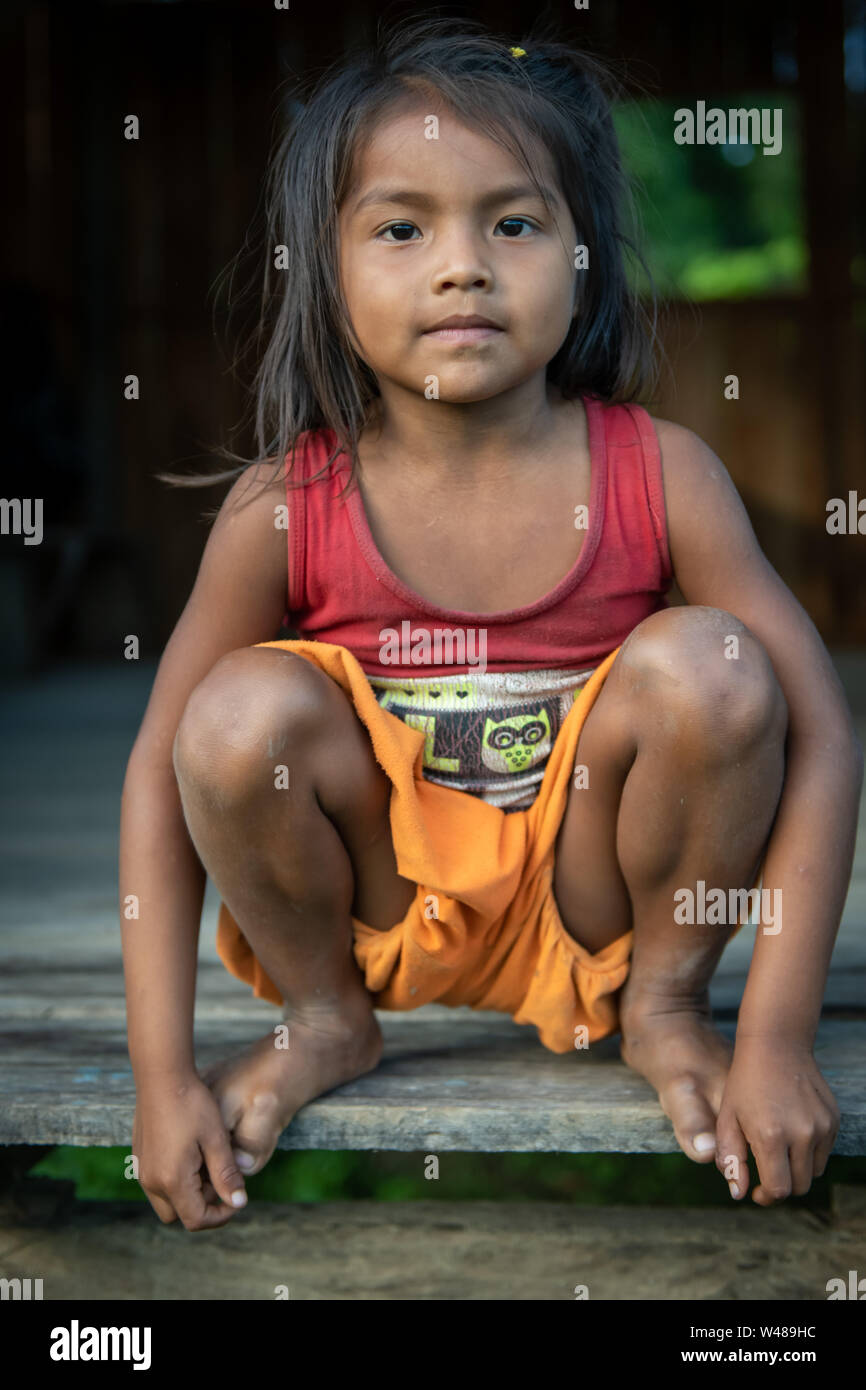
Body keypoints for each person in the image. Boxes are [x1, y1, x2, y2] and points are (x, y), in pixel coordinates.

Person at [120, 16, 863, 1232]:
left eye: (513, 223)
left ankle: (664, 1013)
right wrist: (161, 1076)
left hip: (599, 913)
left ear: (581, 258)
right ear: (324, 263)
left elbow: (821, 736)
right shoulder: (286, 506)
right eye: (400, 227)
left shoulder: (660, 474)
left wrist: (775, 1039)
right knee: (229, 713)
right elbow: (163, 770)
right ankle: (323, 1020)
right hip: (378, 907)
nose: (460, 265)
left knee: (716, 668)